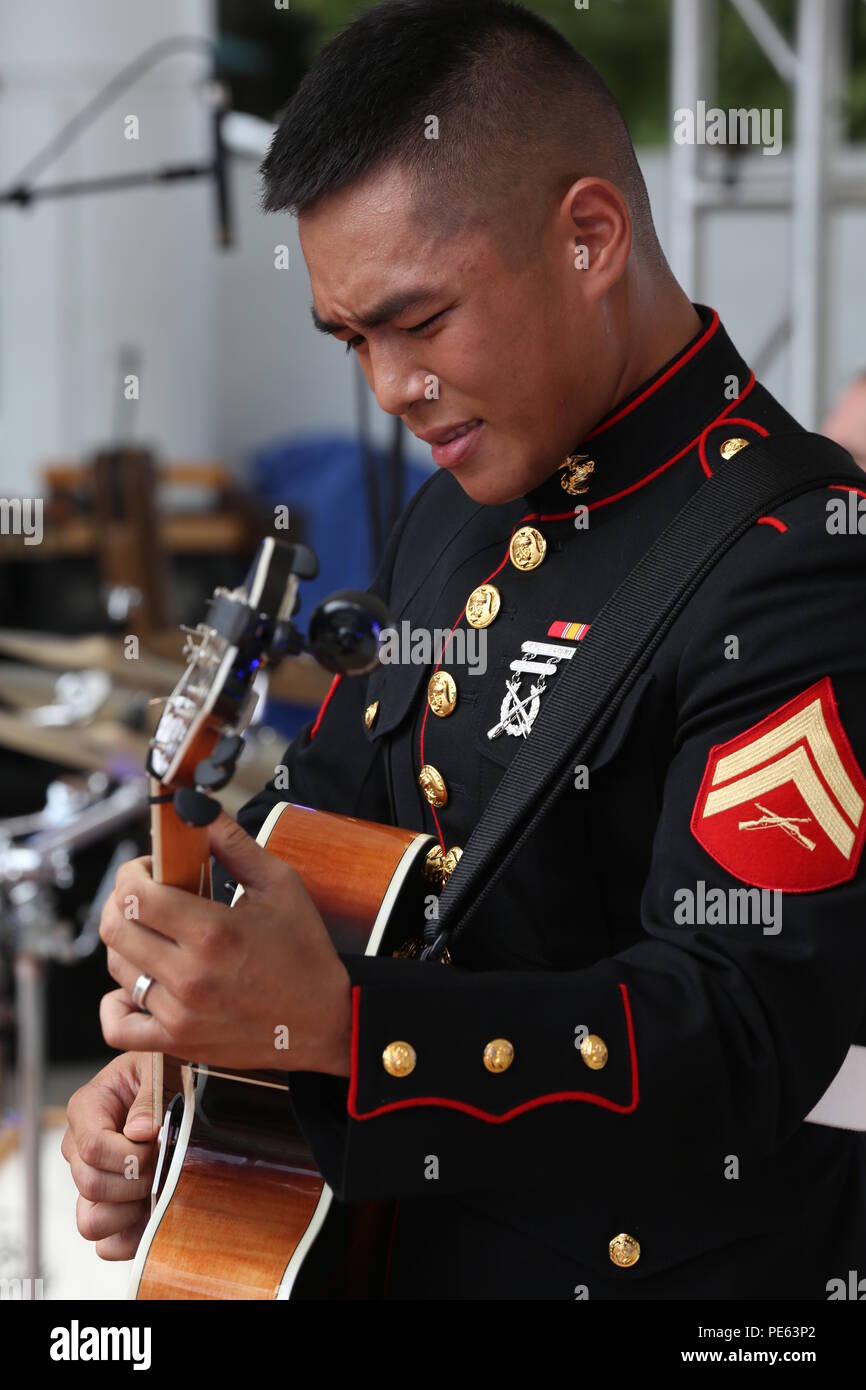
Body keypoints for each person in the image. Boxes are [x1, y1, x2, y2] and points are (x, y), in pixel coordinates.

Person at [63, 0, 866, 1299]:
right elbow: (320, 844)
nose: (387, 386)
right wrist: (185, 1056)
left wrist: (331, 1025)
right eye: (350, 340)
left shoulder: (797, 552)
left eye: (419, 320)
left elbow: (735, 1034)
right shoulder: (461, 505)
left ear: (589, 235)